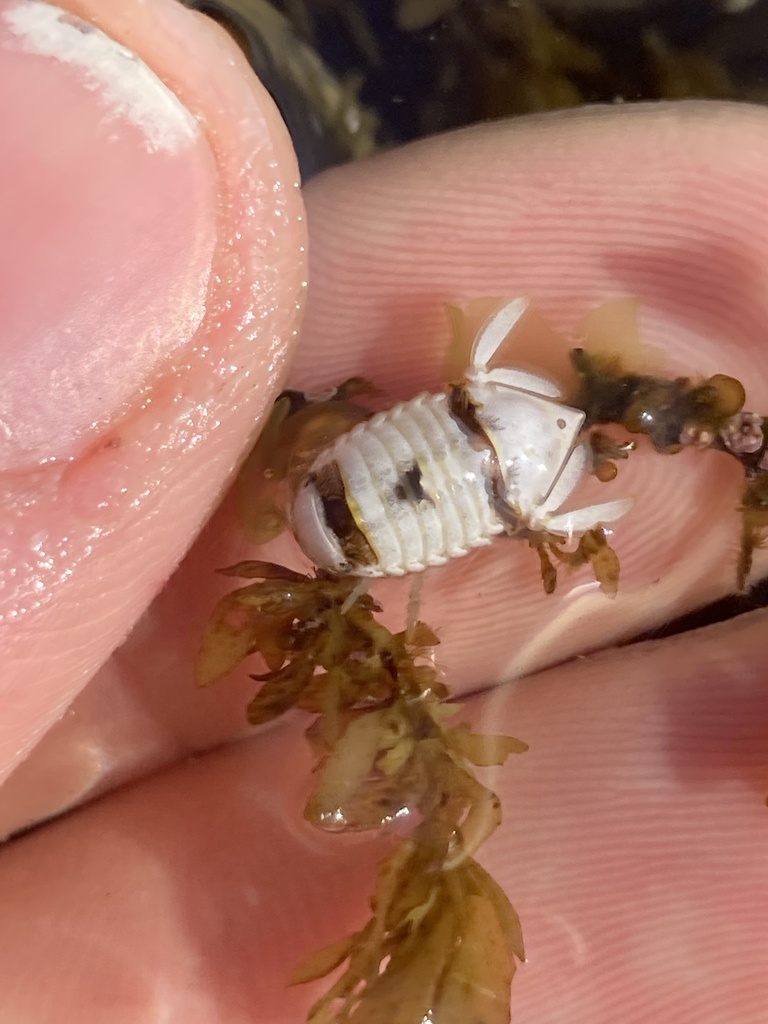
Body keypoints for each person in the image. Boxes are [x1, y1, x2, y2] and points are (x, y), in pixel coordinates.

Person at [1, 0, 766, 1020]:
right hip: (439, 481)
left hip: (436, 473)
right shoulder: (526, 458)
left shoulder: (499, 424)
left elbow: (488, 389)